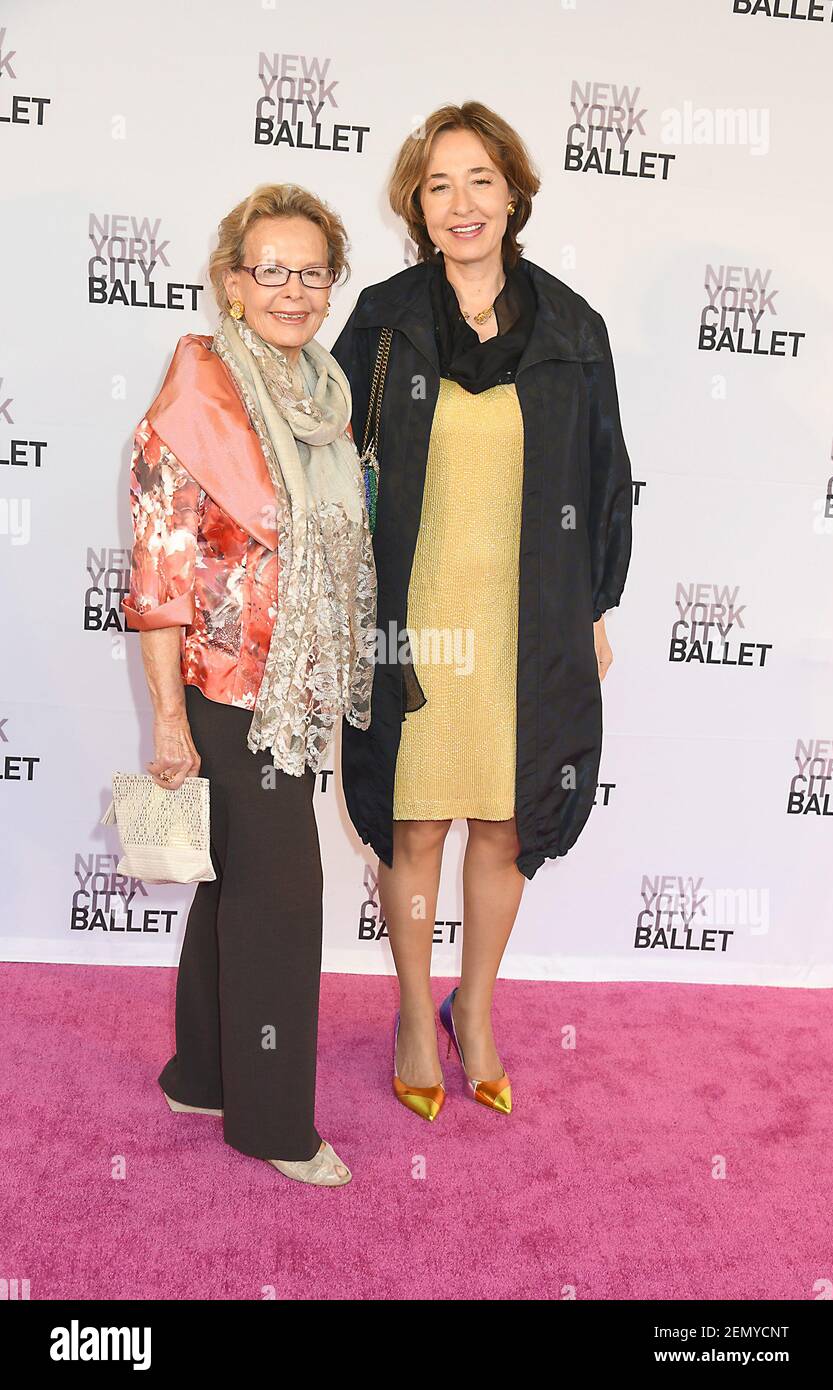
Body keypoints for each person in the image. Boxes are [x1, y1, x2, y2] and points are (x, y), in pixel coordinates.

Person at [330, 102, 633, 1122]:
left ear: (512, 194)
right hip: (412, 617)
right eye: (437, 185)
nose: (460, 203)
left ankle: (477, 1009)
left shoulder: (572, 329)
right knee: (414, 822)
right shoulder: (383, 320)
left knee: (504, 824)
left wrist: (592, 610)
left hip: (524, 619)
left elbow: (602, 480)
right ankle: (416, 1016)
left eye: (479, 181)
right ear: (415, 205)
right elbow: (333, 472)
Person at [121, 182, 375, 1184]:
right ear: (232, 282)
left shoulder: (320, 396)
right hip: (227, 696)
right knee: (282, 899)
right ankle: (271, 1124)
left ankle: (200, 1073)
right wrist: (168, 722)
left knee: (235, 886)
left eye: (312, 271)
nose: (293, 290)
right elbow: (157, 581)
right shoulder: (196, 402)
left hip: (294, 690)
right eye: (271, 270)